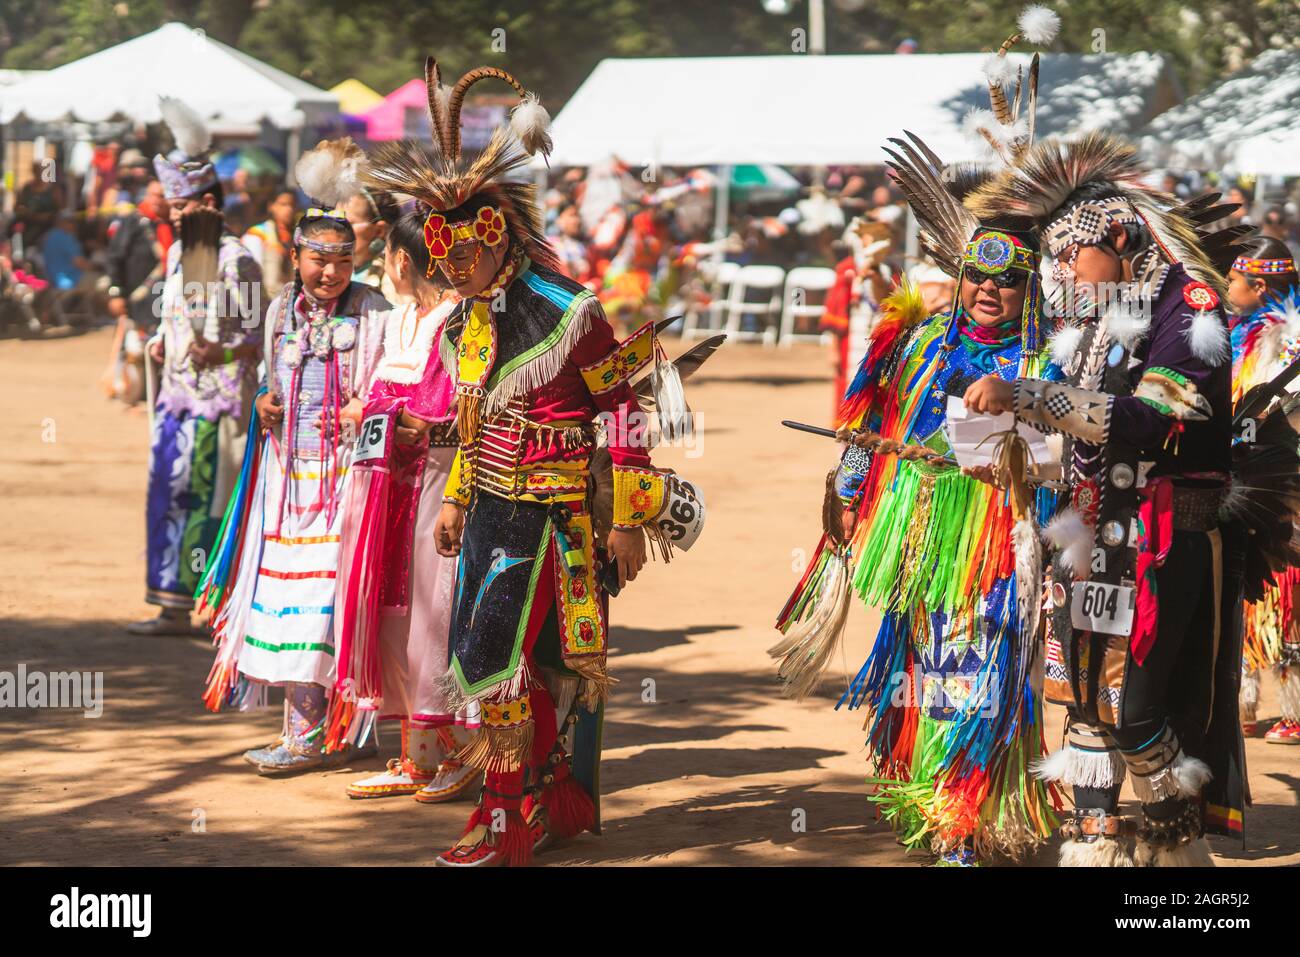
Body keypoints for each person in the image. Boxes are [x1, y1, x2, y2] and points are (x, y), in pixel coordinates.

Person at [366, 58, 698, 867]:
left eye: (463, 253)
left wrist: (625, 517)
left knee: (518, 661)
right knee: (487, 660)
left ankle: (508, 816)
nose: (451, 269)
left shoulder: (569, 311)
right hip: (488, 512)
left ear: (497, 233)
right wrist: (447, 491)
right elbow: (462, 418)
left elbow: (622, 405)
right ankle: (539, 798)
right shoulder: (463, 326)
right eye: (440, 258)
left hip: (563, 517)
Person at [965, 131, 1263, 866]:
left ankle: (1175, 842)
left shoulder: (1188, 307)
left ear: (1121, 237)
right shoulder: (1095, 319)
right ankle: (1094, 848)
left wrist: (1030, 395)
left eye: (1072, 254)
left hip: (1165, 539)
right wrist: (1014, 453)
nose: (1062, 270)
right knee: (1085, 706)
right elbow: (1084, 436)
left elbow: (1158, 417)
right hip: (1090, 538)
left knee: (1134, 708)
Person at [197, 137, 390, 775]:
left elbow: (397, 386)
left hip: (347, 485)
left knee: (330, 603)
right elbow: (268, 381)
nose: (330, 272)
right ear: (295, 255)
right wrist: (262, 404)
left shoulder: (373, 310)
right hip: (284, 484)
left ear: (356, 258)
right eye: (318, 260)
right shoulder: (281, 310)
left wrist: (367, 407)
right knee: (287, 604)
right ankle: (311, 732)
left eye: (342, 259)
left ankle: (335, 731)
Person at [332, 200, 481, 803]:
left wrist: (375, 413)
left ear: (399, 258)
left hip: (436, 486)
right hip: (383, 487)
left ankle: (463, 750)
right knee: (394, 610)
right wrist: (366, 410)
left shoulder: (457, 320)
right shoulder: (400, 319)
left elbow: (435, 413)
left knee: (436, 612)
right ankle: (415, 754)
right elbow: (383, 400)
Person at [128, 98, 264, 636]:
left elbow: (259, 336)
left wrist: (223, 352)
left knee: (213, 501)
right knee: (168, 495)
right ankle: (170, 604)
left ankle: (213, 608)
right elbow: (174, 317)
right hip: (176, 396)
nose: (174, 214)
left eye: (182, 206)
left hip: (220, 400)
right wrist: (163, 341)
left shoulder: (238, 259)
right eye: (171, 206)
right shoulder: (178, 256)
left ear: (208, 202)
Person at [1226, 236, 1300, 744]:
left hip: (1285, 476)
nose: (1227, 288)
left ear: (1258, 285)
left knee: (1288, 592)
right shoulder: (1237, 334)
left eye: (1233, 281)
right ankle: (1246, 701)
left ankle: (1292, 703)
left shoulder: (1290, 337)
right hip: (1248, 467)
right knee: (1251, 582)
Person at [241, 189, 296, 299]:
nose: (288, 209)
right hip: (264, 301)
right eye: (283, 204)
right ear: (272, 206)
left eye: (292, 205)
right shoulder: (258, 234)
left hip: (287, 301)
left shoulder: (295, 238)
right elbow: (252, 274)